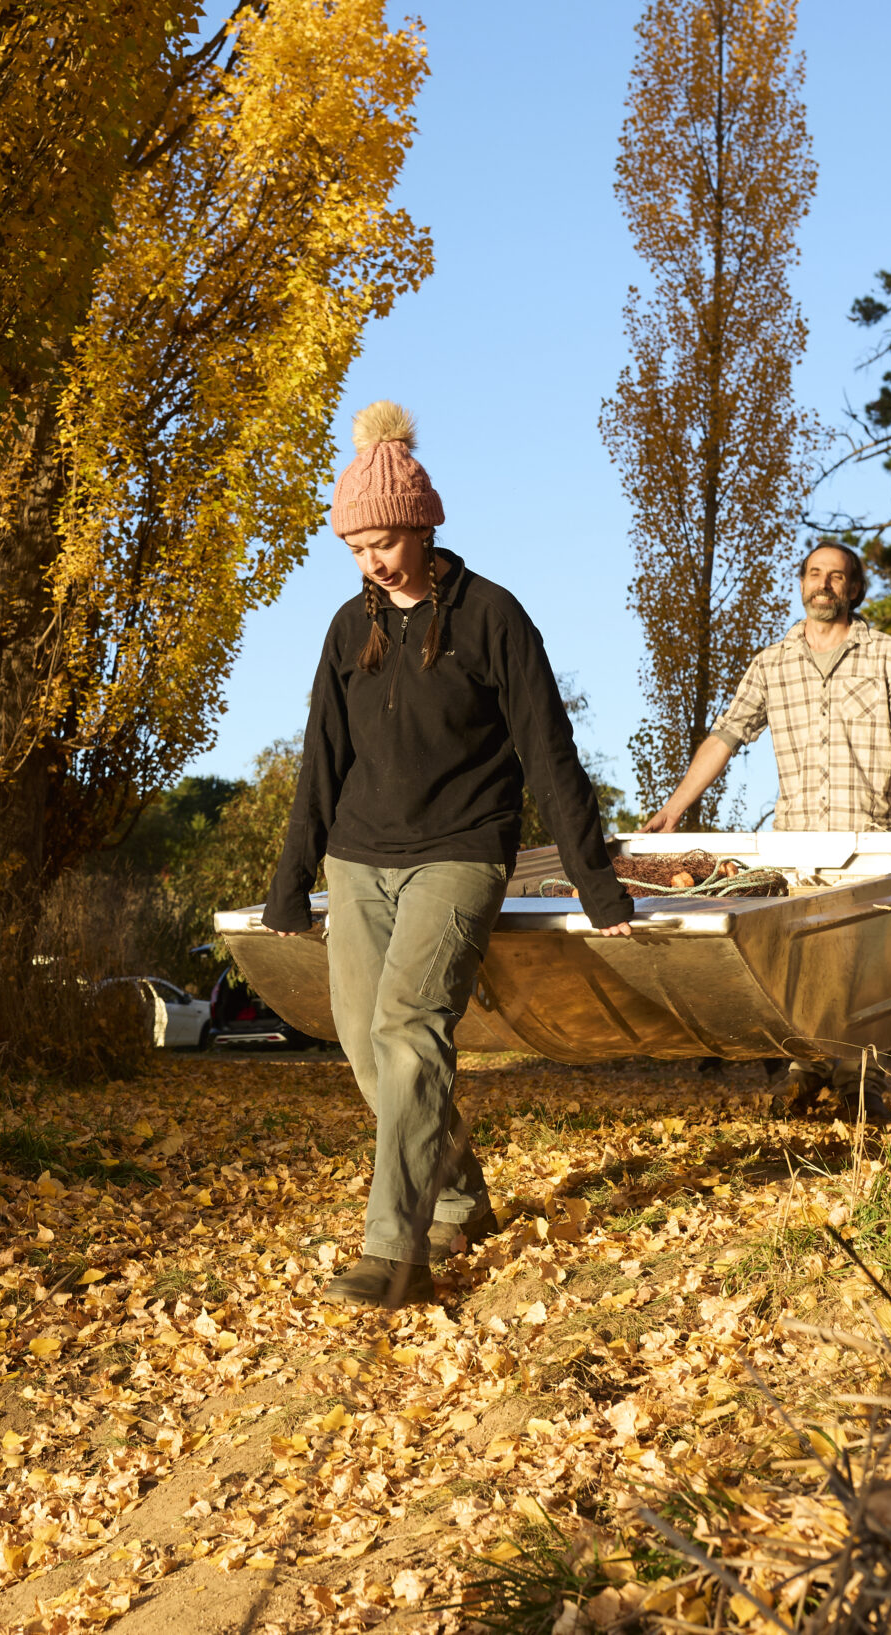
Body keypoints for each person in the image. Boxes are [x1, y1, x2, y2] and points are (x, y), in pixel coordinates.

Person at [265, 400, 638, 1312]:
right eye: (356, 549)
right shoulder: (348, 630)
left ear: (423, 526)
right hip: (359, 858)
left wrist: (595, 881)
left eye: (384, 541)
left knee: (408, 1027)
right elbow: (321, 758)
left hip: (460, 852)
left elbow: (549, 753)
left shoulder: (493, 618)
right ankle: (463, 1195)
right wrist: (291, 878)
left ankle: (398, 1250)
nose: (372, 562)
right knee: (364, 1041)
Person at [641, 540, 891, 1117]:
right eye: (814, 574)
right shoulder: (770, 664)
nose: (824, 585)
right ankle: (805, 1073)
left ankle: (863, 1085)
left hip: (870, 837)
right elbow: (726, 735)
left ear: (854, 589)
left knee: (868, 966)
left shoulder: (886, 655)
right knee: (805, 963)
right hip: (796, 842)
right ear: (802, 583)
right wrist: (676, 807)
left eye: (837, 577)